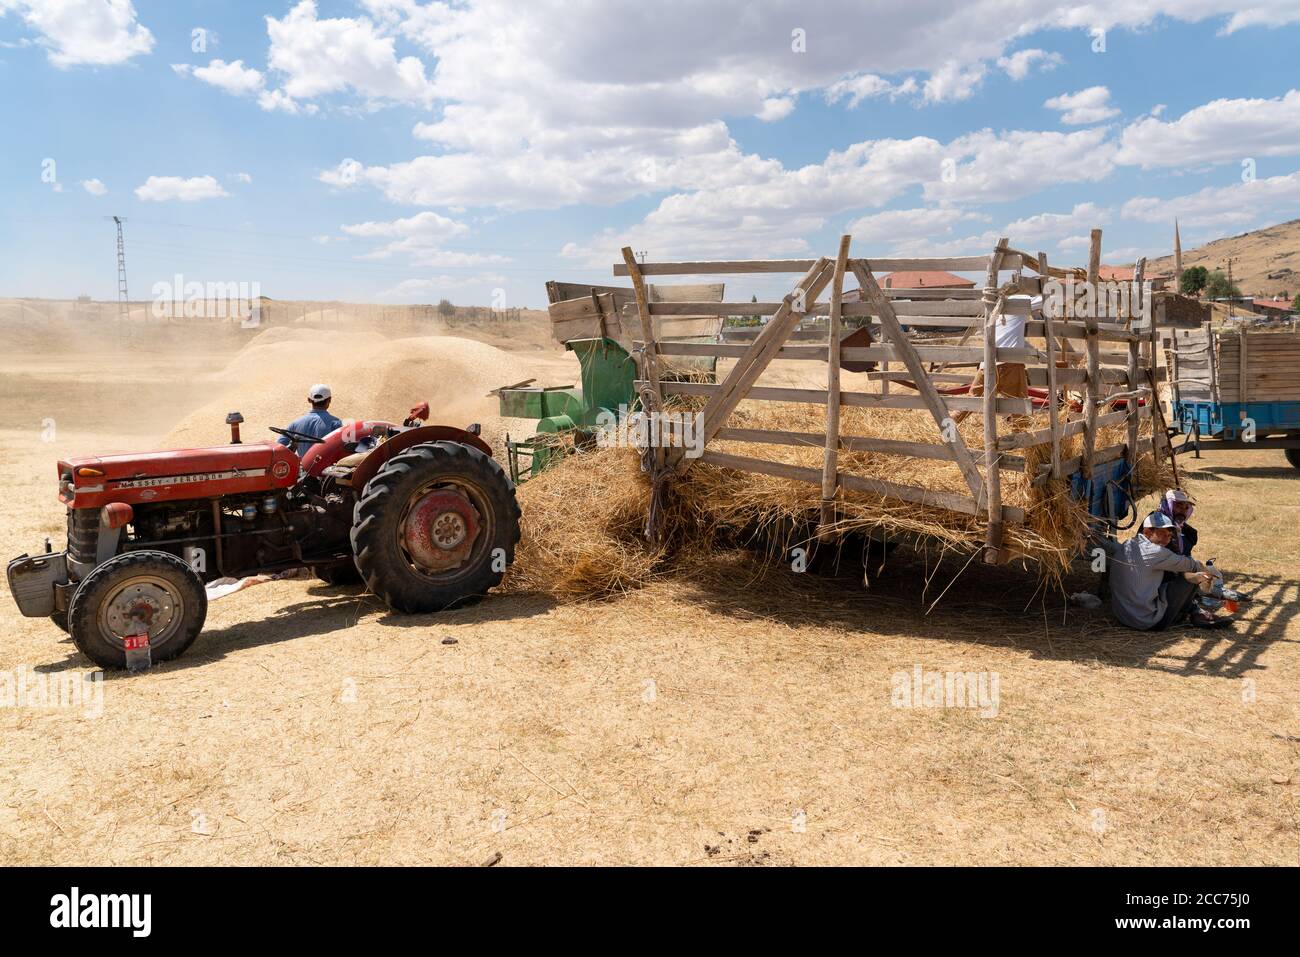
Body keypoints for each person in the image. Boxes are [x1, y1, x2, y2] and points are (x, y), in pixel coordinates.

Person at [1100, 512, 1225, 630]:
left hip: (1123, 618)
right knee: (1190, 577)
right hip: (1148, 622)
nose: (1166, 540)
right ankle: (1195, 613)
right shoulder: (1156, 552)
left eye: (1170, 536)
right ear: (1148, 532)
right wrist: (1204, 573)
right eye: (1162, 534)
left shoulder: (1127, 544)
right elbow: (1190, 565)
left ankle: (1193, 611)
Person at [956, 294, 1037, 430]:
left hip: (986, 366)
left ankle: (946, 429)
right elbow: (1047, 298)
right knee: (1019, 408)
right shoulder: (1021, 300)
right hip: (1011, 365)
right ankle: (1023, 444)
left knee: (970, 401)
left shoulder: (990, 307)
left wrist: (1035, 352)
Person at [277, 384, 343, 456]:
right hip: (326, 467)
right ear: (330, 400)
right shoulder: (336, 423)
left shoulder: (295, 423)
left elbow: (279, 447)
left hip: (302, 466)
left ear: (309, 400)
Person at [1147, 488, 1198, 557]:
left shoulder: (1184, 529)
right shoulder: (1156, 521)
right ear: (1167, 505)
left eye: (1186, 508)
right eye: (1179, 506)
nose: (1183, 511)